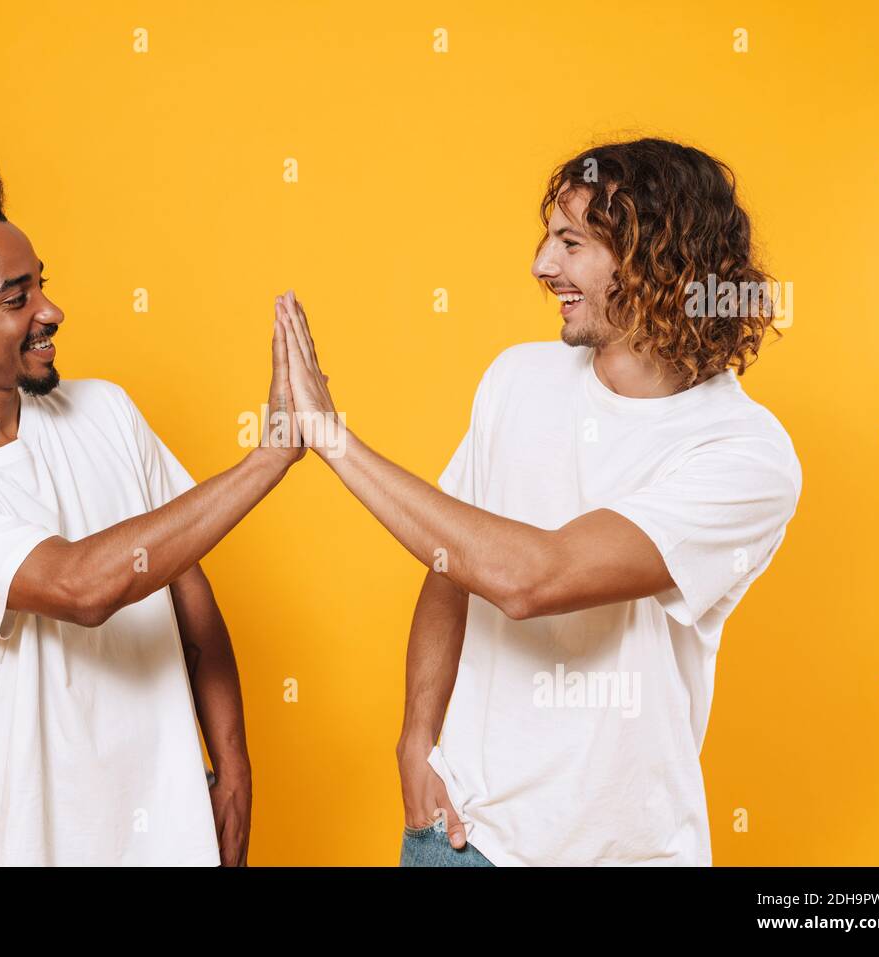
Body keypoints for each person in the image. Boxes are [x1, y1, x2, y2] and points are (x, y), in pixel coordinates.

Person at [273, 138, 802, 866]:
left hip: (625, 853)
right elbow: (450, 560)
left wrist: (336, 443)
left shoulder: (745, 453)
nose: (541, 265)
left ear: (655, 261)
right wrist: (416, 736)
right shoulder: (517, 378)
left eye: (571, 242)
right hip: (461, 838)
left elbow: (535, 578)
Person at [0, 151, 303, 865]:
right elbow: (80, 586)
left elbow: (188, 590)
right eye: (15, 298)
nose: (50, 311)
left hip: (178, 838)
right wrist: (268, 455)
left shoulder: (104, 410)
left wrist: (233, 769)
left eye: (42, 287)